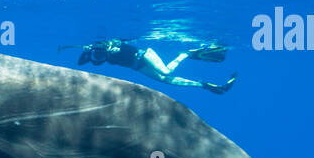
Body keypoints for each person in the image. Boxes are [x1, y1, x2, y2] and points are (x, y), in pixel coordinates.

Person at [73, 38, 237, 94]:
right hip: (137, 66)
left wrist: (118, 44)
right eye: (97, 52)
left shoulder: (113, 44)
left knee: (166, 71)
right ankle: (205, 85)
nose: (99, 54)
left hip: (144, 55)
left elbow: (126, 41)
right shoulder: (98, 55)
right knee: (167, 80)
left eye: (99, 50)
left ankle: (186, 53)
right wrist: (87, 51)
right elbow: (83, 62)